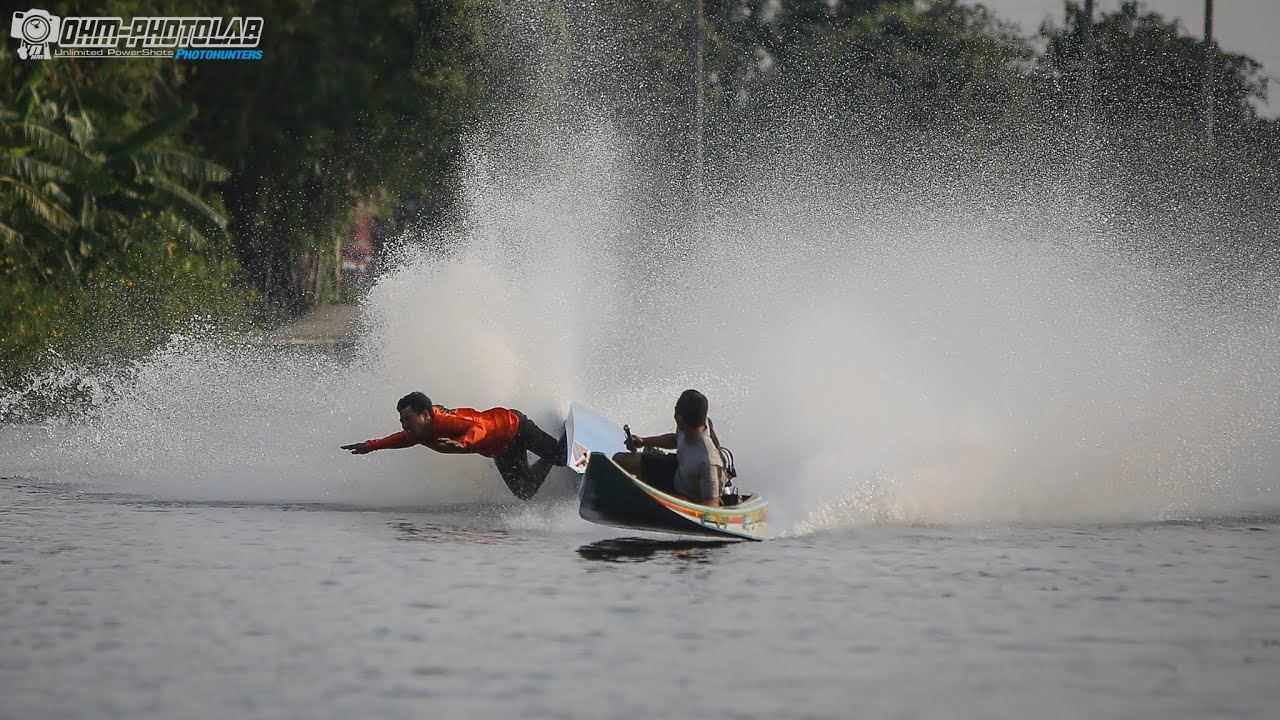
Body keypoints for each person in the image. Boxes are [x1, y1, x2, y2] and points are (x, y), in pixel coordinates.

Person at [342, 392, 566, 501]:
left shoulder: (444, 422)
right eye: (402, 420)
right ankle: (555, 444)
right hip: (501, 449)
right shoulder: (420, 432)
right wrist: (369, 446)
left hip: (513, 427)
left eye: (408, 419)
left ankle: (569, 442)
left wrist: (463, 444)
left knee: (562, 457)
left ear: (426, 414)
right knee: (526, 492)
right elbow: (399, 439)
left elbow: (480, 428)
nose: (404, 425)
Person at [612, 389, 728, 506]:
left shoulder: (709, 462)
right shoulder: (696, 423)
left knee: (643, 497)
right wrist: (643, 441)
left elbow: (712, 503)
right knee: (619, 461)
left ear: (680, 419)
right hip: (679, 470)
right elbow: (674, 440)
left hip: (689, 497)